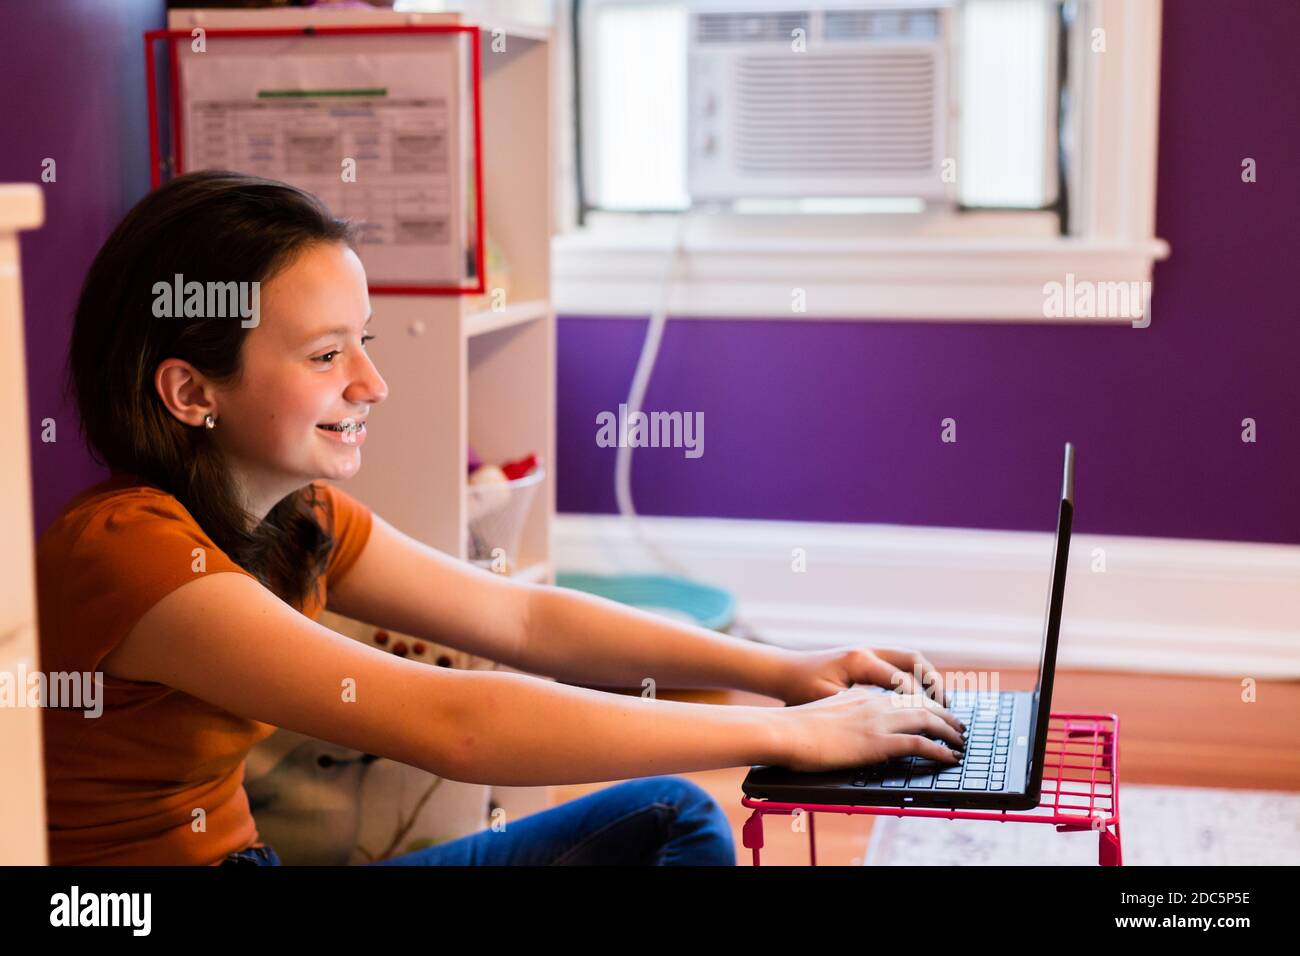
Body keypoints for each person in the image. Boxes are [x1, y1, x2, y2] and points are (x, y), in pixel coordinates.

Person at [37, 170, 965, 866]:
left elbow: (521, 618)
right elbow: (459, 723)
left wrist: (786, 672)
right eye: (325, 355)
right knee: (671, 821)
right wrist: (788, 734)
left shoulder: (297, 517)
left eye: (363, 341)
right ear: (191, 392)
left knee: (671, 818)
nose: (373, 382)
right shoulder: (131, 552)